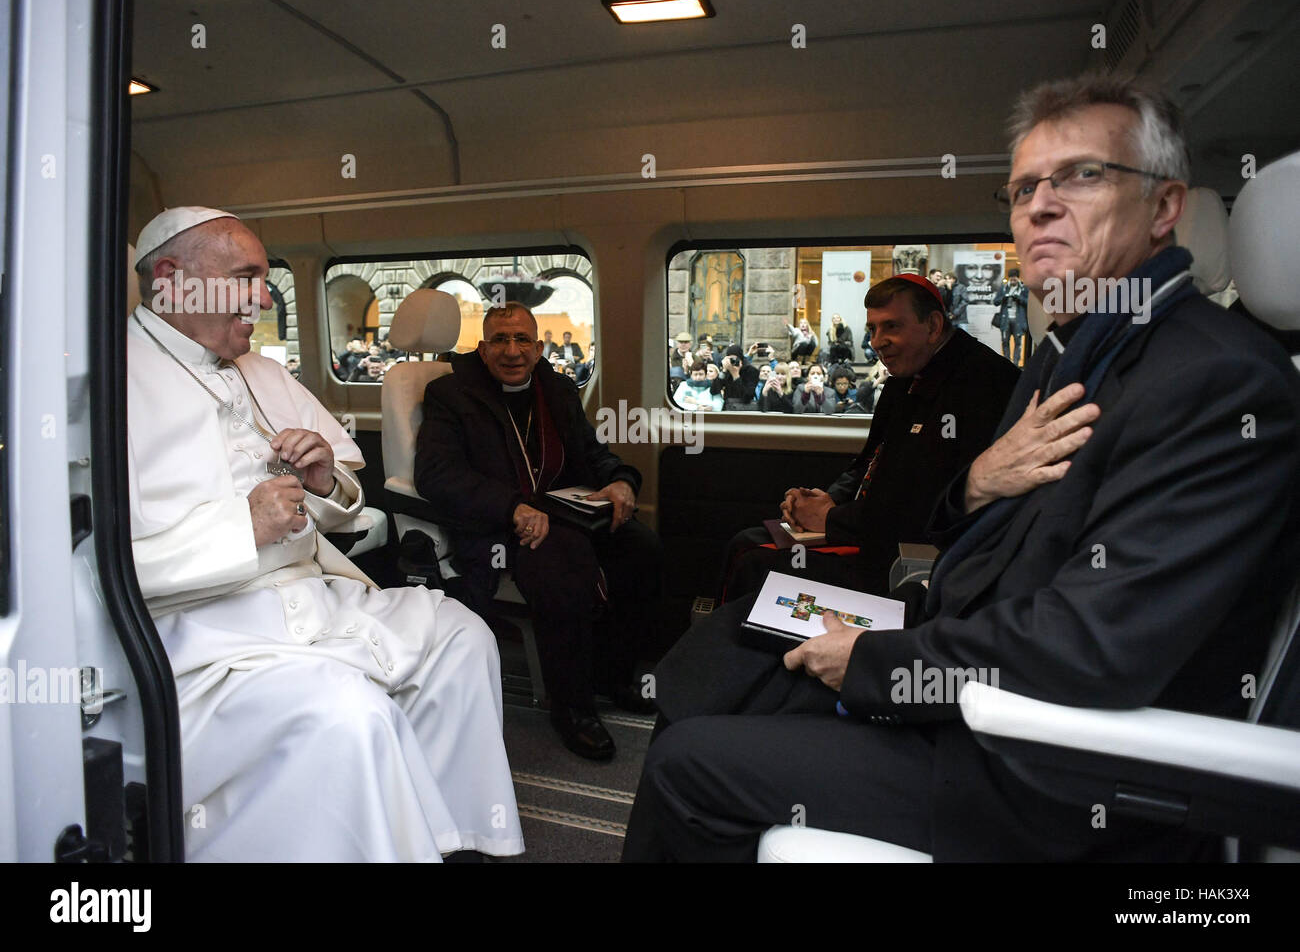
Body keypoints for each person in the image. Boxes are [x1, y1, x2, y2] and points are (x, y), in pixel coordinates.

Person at [622, 74, 1300, 863]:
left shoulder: (1216, 382)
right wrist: (980, 483)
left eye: (1081, 175)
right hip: (960, 658)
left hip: (1037, 773)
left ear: (1164, 207)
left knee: (686, 767)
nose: (1039, 206)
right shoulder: (1072, 355)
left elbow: (1091, 646)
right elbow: (969, 513)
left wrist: (878, 662)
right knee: (740, 635)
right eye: (1021, 189)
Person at [126, 206, 523, 862]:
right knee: (348, 713)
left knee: (463, 636)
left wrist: (324, 483)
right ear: (171, 278)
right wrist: (241, 528)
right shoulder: (104, 387)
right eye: (247, 277)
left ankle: (451, 836)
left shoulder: (263, 370)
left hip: (313, 599)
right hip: (202, 636)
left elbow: (346, 503)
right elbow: (86, 566)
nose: (264, 296)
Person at [415, 302, 664, 761]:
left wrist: (622, 480)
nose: (512, 351)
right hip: (497, 524)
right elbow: (438, 475)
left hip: (564, 511)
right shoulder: (451, 394)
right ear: (482, 348)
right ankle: (571, 707)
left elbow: (592, 454)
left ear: (539, 346)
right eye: (500, 341)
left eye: (522, 340)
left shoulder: (558, 389)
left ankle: (614, 675)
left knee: (641, 547)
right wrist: (513, 507)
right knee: (563, 562)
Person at [716, 274, 1019, 601]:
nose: (877, 341)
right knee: (745, 541)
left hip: (913, 558)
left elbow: (930, 505)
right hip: (867, 525)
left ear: (932, 326)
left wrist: (832, 519)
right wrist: (821, 501)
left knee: (751, 558)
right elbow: (869, 463)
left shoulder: (984, 385)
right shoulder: (902, 378)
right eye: (872, 329)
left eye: (892, 327)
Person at [994, 268, 1031, 364]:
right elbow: (995, 302)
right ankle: (1006, 364)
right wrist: (1004, 297)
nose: (1013, 281)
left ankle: (1015, 364)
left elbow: (1029, 303)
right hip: (1005, 319)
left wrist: (1018, 298)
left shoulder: (1023, 288)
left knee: (1018, 343)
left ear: (1018, 278)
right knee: (1005, 342)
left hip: (1018, 320)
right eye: (1011, 279)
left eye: (1014, 279)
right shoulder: (1004, 288)